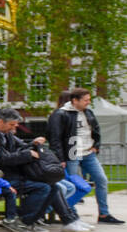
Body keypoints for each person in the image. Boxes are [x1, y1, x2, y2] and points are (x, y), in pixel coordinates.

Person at [0, 109, 87, 232]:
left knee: (53, 187)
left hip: (13, 174)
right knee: (43, 188)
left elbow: (22, 146)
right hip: (0, 178)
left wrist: (33, 143)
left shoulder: (4, 132)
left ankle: (32, 221)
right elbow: (2, 159)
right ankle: (24, 220)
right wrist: (28, 154)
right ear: (1, 121)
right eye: (12, 125)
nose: (14, 128)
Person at [47, 87, 123, 224]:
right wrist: (60, 158)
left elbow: (95, 130)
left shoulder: (88, 112)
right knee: (75, 185)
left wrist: (96, 146)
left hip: (89, 152)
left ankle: (104, 214)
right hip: (72, 152)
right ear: (75, 100)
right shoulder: (61, 114)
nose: (88, 102)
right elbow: (55, 138)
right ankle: (72, 215)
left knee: (102, 180)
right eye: (86, 100)